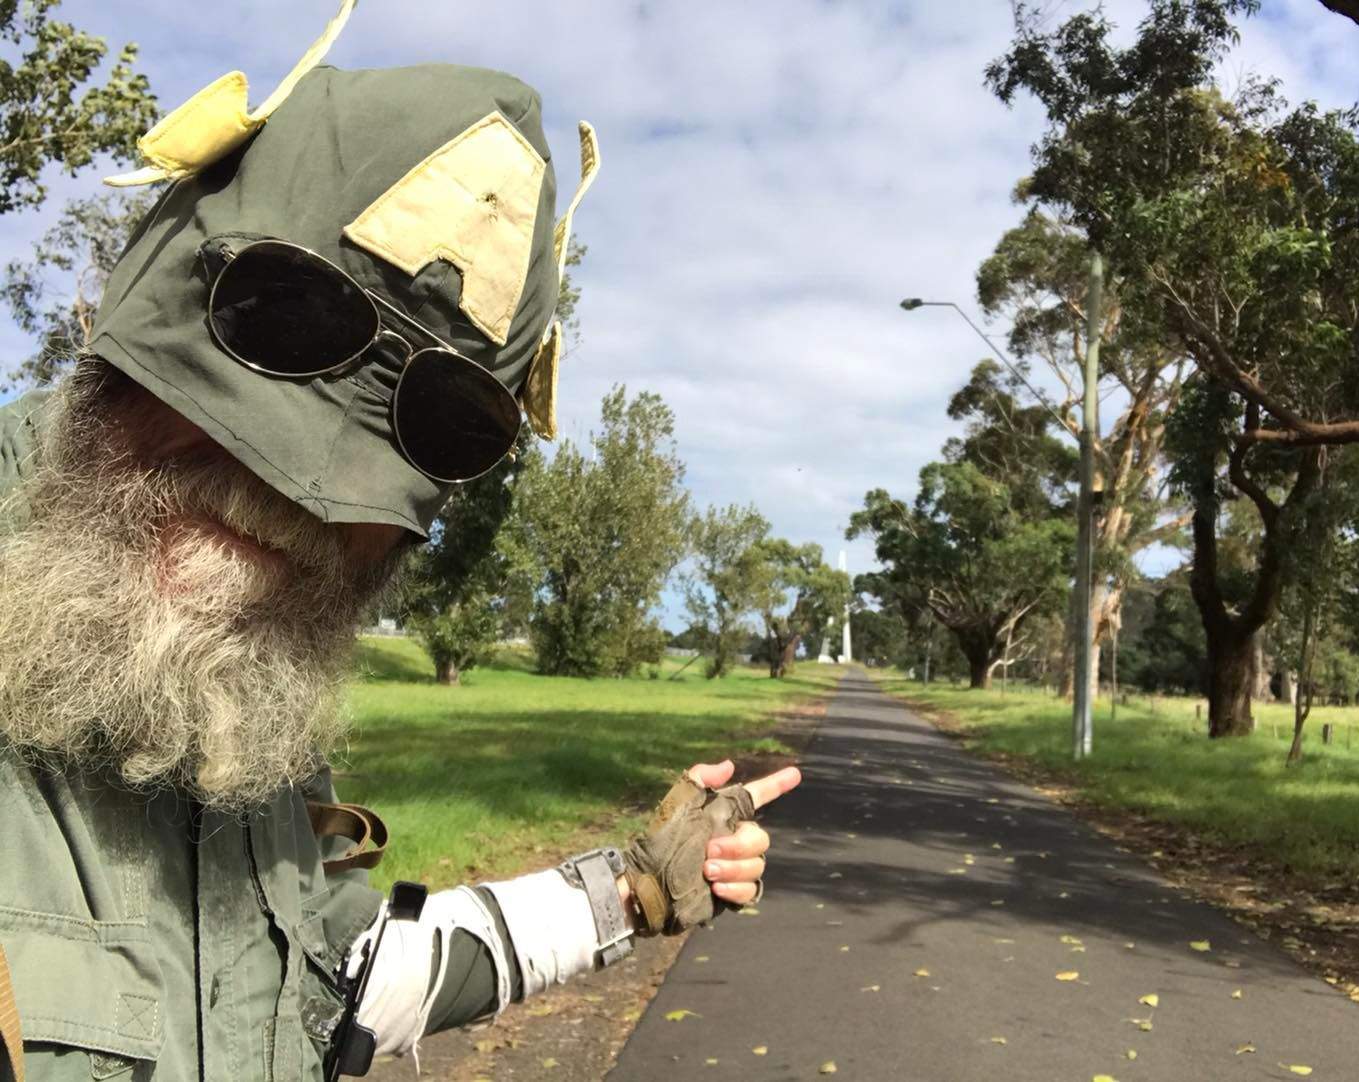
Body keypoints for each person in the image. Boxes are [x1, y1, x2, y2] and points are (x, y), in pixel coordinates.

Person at [0, 5, 801, 1080]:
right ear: (151, 289)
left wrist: (630, 891)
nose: (298, 489)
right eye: (276, 320)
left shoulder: (231, 679)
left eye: (440, 426)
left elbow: (342, 970)